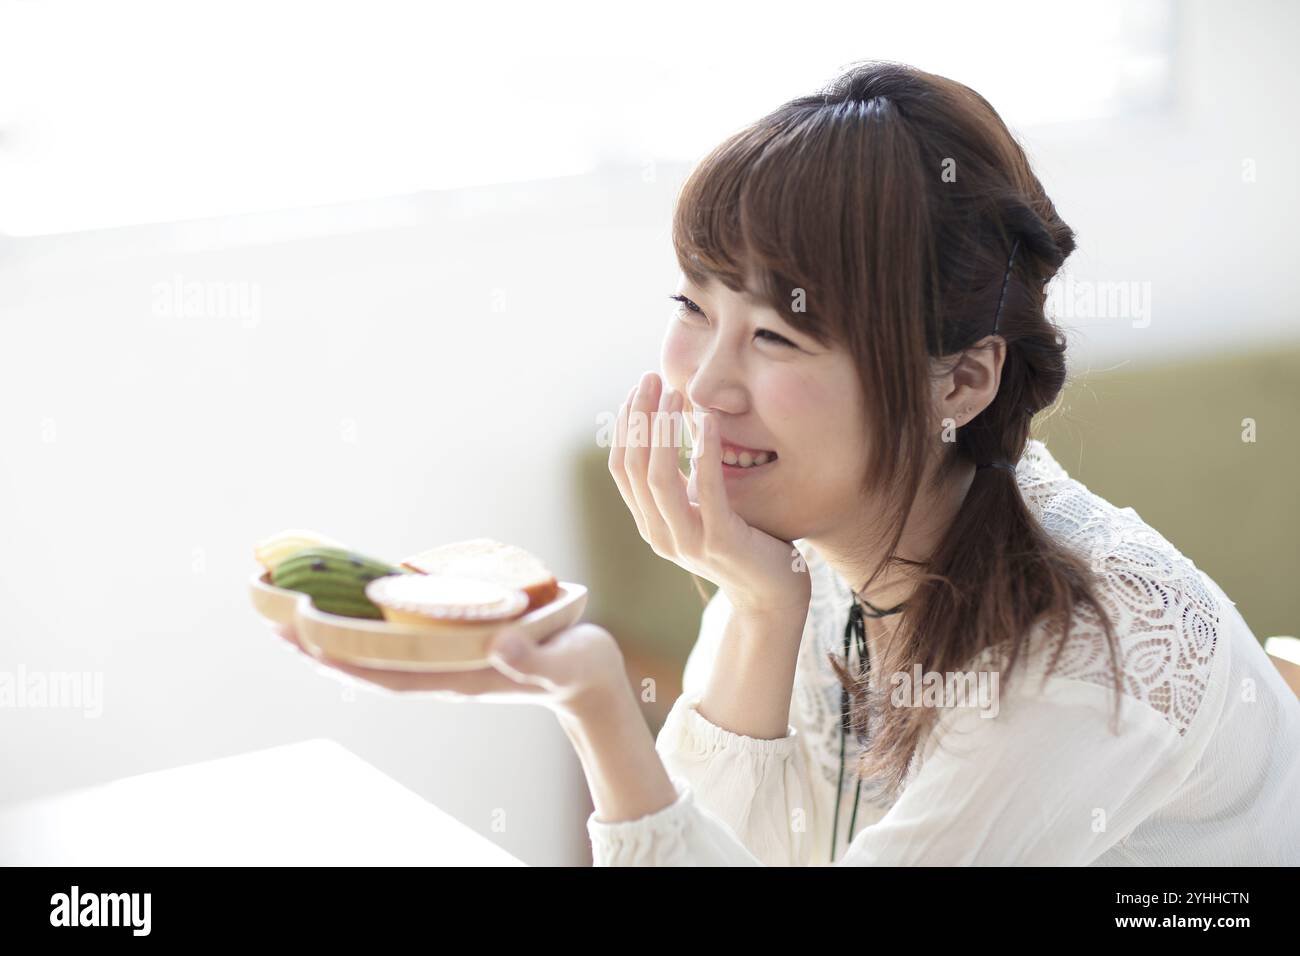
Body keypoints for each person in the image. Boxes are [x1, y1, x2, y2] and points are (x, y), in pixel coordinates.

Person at [276, 60, 1300, 865]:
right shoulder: (820, 560)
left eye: (776, 336)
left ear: (960, 382)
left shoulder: (1075, 666)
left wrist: (596, 704)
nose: (707, 382)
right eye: (694, 307)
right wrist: (754, 607)